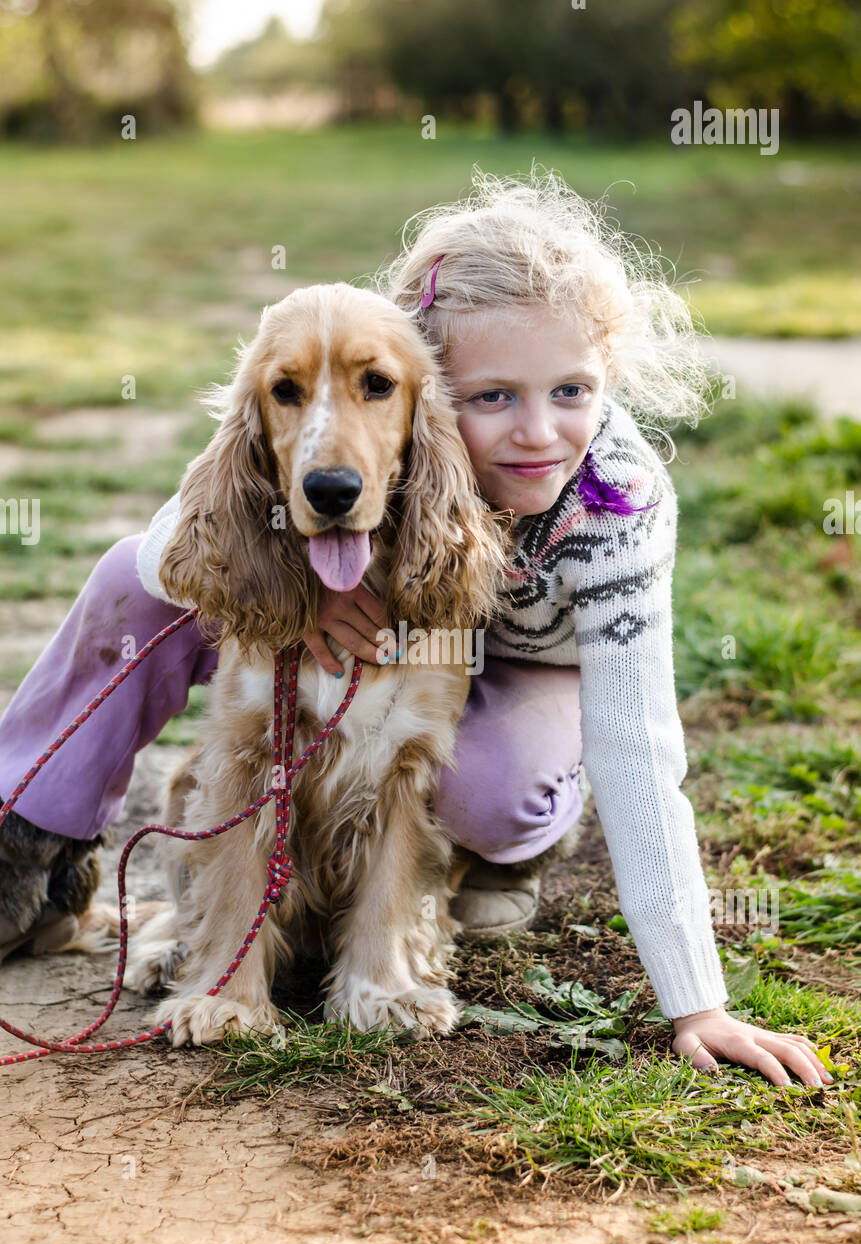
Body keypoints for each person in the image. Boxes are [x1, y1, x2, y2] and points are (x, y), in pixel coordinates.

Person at [0, 168, 831, 1090]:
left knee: (482, 783)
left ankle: (486, 871)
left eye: (570, 391)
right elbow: (183, 539)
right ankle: (24, 830)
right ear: (440, 387)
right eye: (491, 398)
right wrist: (309, 597)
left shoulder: (614, 501)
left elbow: (636, 746)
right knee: (134, 580)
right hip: (368, 616)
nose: (534, 433)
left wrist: (697, 1002)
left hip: (524, 670)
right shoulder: (374, 401)